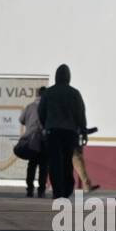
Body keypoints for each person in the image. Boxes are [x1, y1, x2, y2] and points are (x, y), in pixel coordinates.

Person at [38, 64, 87, 198]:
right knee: (67, 161)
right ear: (68, 77)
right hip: (70, 132)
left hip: (52, 132)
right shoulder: (74, 93)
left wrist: (46, 126)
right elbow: (81, 113)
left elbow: (41, 112)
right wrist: (83, 130)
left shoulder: (48, 93)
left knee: (54, 162)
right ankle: (67, 189)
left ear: (56, 77)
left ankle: (57, 191)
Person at [19, 90, 48, 197]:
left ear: (37, 95)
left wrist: (30, 123)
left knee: (32, 165)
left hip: (31, 140)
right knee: (43, 167)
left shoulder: (29, 106)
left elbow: (21, 120)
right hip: (43, 140)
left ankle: (30, 189)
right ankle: (41, 191)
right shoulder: (47, 107)